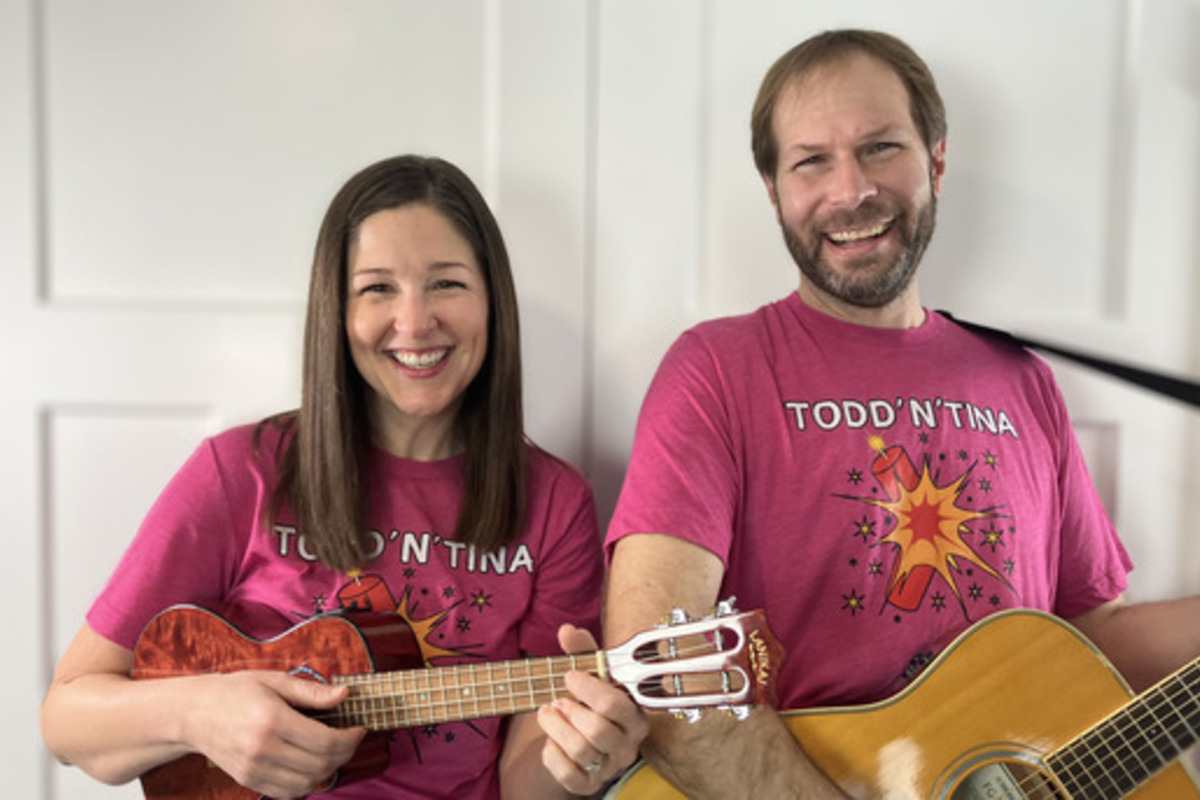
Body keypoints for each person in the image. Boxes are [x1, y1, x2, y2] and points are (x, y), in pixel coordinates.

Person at [603, 29, 1200, 798]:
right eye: (812, 160)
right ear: (774, 188)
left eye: (881, 147)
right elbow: (665, 673)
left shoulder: (1022, 381)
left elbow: (1090, 643)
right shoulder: (717, 370)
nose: (850, 191)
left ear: (937, 162)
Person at [42, 154, 647, 799]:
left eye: (446, 284)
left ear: (492, 301)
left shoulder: (553, 502)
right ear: (336, 309)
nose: (414, 323)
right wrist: (202, 714)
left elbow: (525, 788)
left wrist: (577, 760)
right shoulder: (241, 472)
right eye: (377, 288)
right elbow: (68, 721)